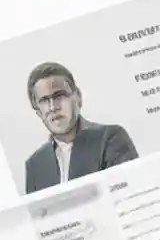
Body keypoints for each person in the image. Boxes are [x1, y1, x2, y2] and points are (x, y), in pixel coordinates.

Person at [24, 62, 138, 194]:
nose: (53, 107)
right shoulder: (34, 165)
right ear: (39, 112)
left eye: (59, 96)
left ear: (78, 97)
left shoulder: (110, 138)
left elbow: (130, 195)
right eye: (44, 100)